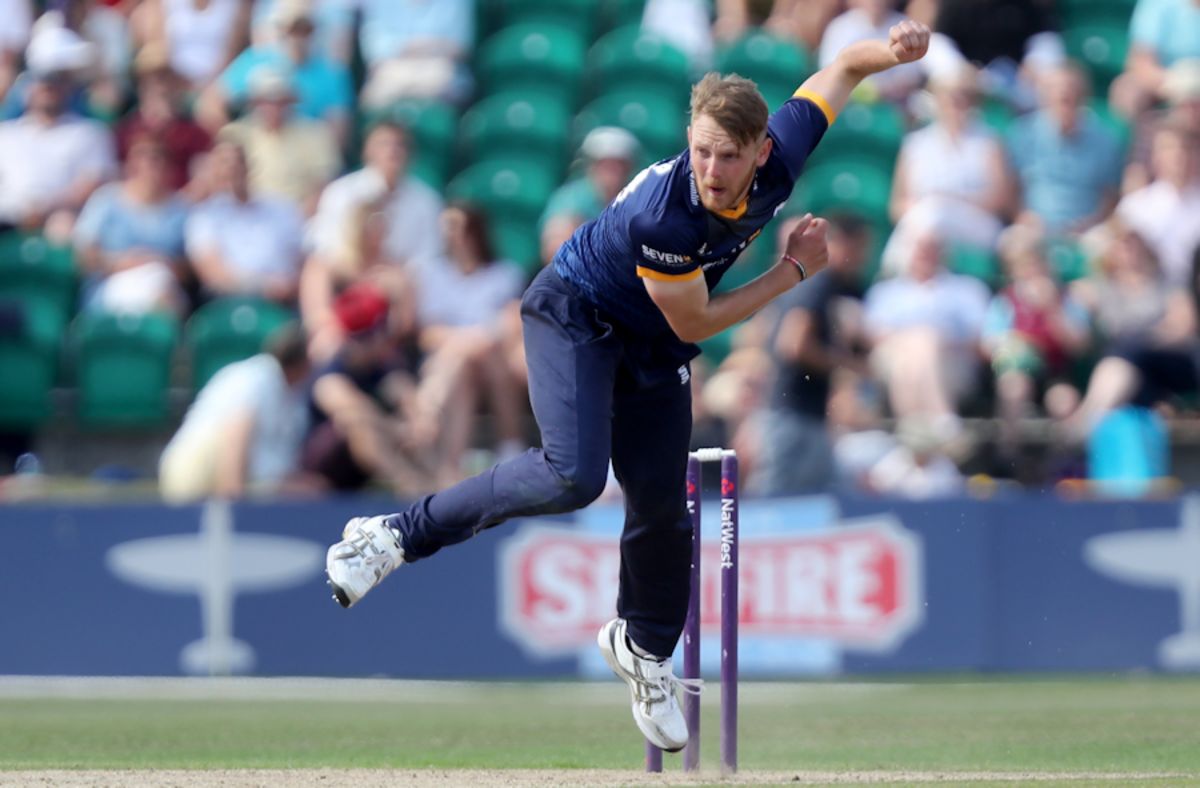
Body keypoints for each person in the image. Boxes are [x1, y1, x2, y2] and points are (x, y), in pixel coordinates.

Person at [324, 20, 931, 752]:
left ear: (763, 151)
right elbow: (702, 319)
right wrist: (791, 272)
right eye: (701, 149)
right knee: (573, 476)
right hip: (577, 313)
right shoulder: (665, 217)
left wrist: (892, 53)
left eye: (728, 156)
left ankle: (644, 649)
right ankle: (391, 535)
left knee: (663, 505)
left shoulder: (781, 154)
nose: (710, 168)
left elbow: (839, 69)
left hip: (651, 338)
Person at [159, 322, 315, 502]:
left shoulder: (295, 396)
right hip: (197, 481)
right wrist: (234, 507)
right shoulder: (255, 378)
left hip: (249, 485)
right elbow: (233, 440)